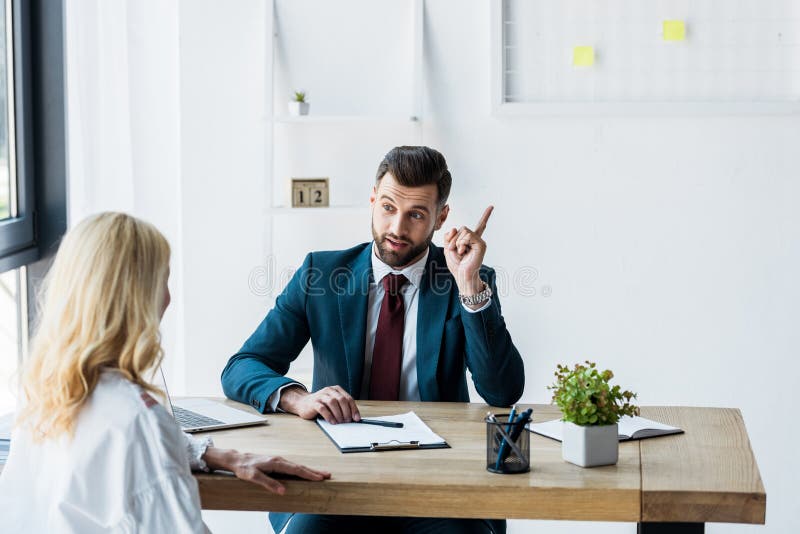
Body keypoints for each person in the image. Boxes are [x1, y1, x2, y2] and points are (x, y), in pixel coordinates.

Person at [221, 146, 524, 534]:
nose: (397, 228)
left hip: (438, 481)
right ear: (371, 200)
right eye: (387, 207)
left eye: (416, 214)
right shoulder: (321, 273)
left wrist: (469, 286)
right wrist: (299, 398)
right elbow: (243, 366)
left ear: (440, 217)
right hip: (333, 476)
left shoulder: (466, 280)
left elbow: (502, 391)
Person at [0, 212, 330, 533]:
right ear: (136, 299)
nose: (169, 298)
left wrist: (214, 454)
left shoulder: (47, 394)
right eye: (163, 280)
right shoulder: (137, 420)